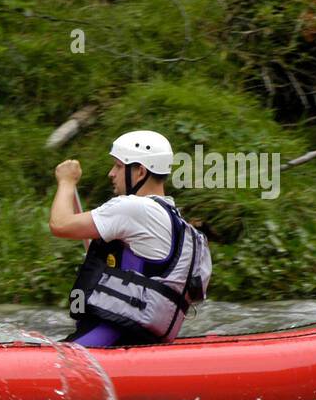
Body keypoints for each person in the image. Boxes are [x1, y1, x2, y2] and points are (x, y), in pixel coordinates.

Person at [49, 130, 211, 347]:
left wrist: (66, 181)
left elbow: (60, 225)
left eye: (117, 165)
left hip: (110, 334)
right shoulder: (177, 221)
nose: (111, 173)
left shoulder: (134, 208)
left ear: (140, 172)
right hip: (141, 338)